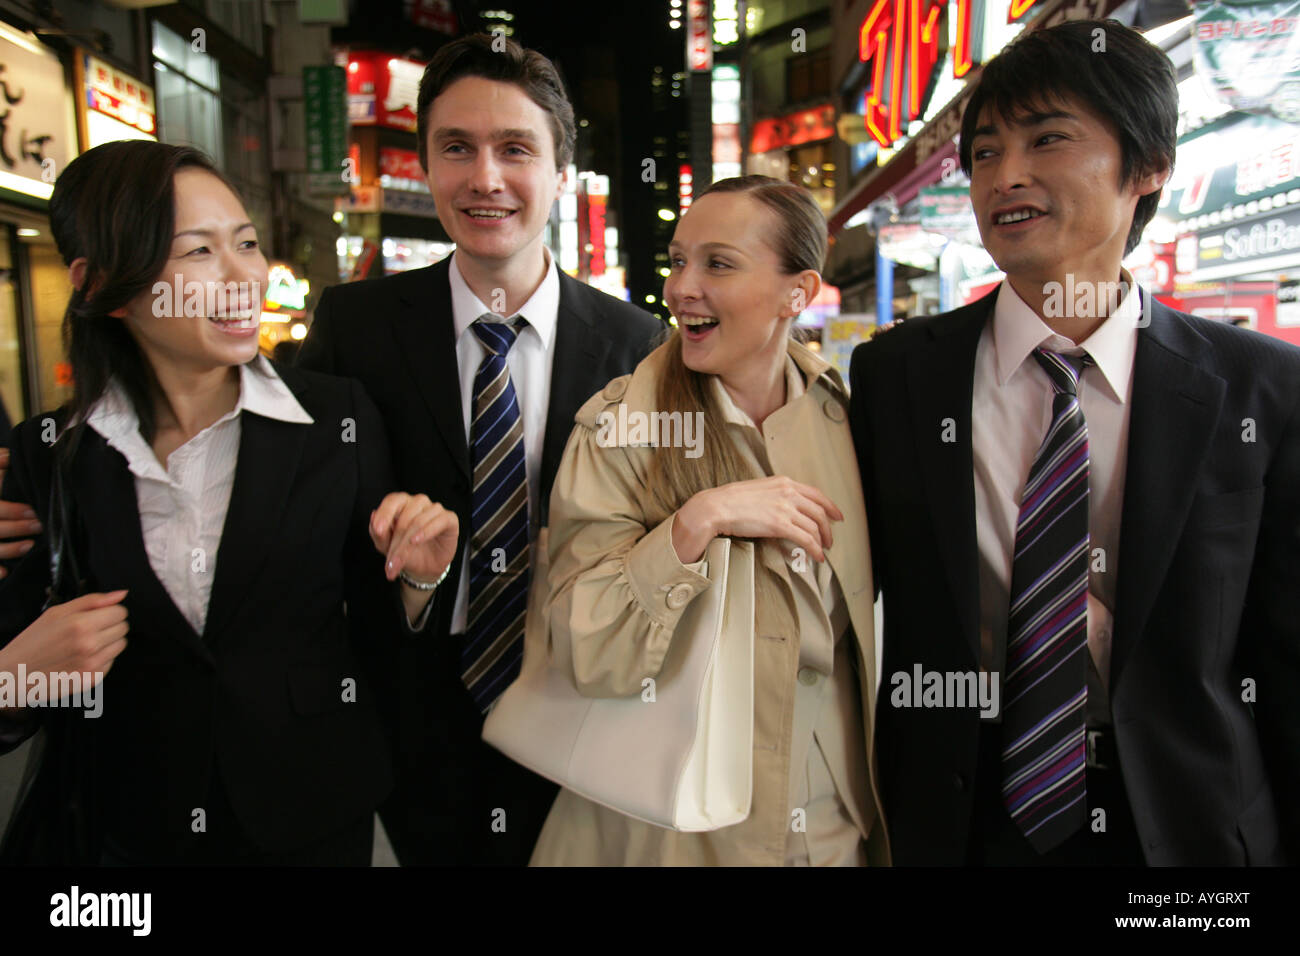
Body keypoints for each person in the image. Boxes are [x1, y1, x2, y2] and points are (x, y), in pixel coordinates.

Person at [849, 18, 1299, 865]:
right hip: (963, 819)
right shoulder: (898, 378)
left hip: (1189, 830)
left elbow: (1285, 658)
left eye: (1047, 138)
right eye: (983, 152)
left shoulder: (1263, 388)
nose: (1005, 175)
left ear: (1149, 166)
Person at [0, 140, 458, 865]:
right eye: (199, 252)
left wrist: (419, 576)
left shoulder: (336, 419)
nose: (246, 274)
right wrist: (17, 673)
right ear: (97, 286)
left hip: (305, 820)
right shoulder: (48, 454)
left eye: (246, 243)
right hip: (124, 830)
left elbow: (377, 631)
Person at [295, 33, 662, 865]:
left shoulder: (638, 344)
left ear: (561, 173)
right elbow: (290, 494)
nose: (485, 178)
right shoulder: (356, 329)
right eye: (456, 148)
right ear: (426, 165)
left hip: (587, 705)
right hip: (417, 714)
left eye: (515, 150)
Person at [528, 175, 889, 866]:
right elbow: (583, 650)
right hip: (672, 832)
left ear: (799, 292)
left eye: (717, 264)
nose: (681, 287)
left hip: (827, 827)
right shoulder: (620, 428)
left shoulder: (842, 416)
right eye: (678, 261)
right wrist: (698, 522)